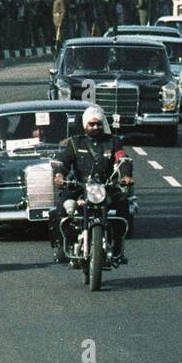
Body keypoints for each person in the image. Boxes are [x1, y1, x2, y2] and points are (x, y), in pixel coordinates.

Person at [52, 104, 135, 261]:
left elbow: (123, 159)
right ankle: (62, 245)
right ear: (85, 125)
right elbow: (63, 160)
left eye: (98, 123)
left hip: (106, 186)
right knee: (61, 206)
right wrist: (59, 175)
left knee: (123, 203)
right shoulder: (75, 143)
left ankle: (118, 246)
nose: (95, 127)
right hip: (80, 186)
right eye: (92, 124)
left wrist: (125, 176)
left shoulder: (113, 142)